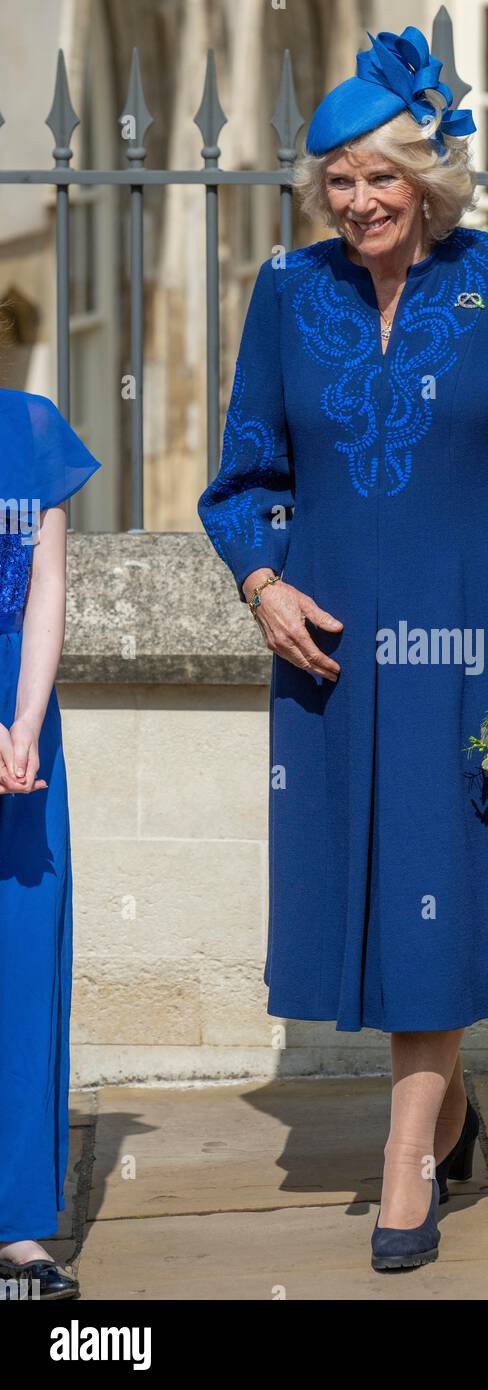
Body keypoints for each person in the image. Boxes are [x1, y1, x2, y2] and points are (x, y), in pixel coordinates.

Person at [198, 25, 488, 1272]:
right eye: (338, 179)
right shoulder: (286, 291)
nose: (360, 200)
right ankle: (458, 1111)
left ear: (426, 178)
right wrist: (263, 581)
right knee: (373, 894)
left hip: (470, 631)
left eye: (382, 175)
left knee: (440, 881)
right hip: (325, 641)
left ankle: (405, 1160)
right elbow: (242, 475)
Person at [0, 389, 100, 1299]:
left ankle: (17, 1225)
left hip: (20, 728)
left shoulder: (30, 427)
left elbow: (46, 585)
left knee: (23, 959)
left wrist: (23, 721)